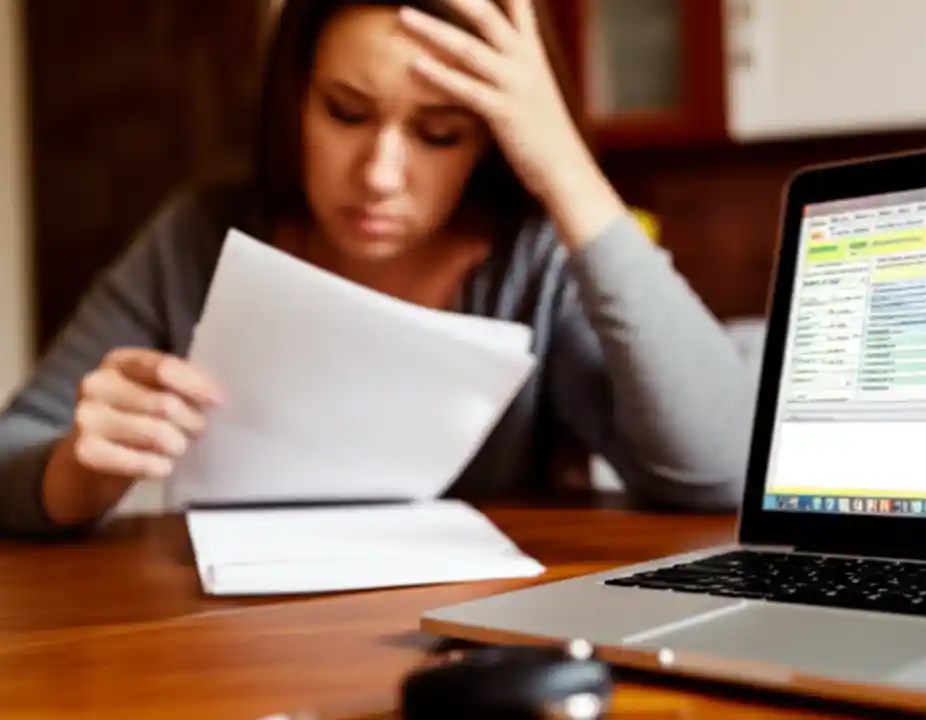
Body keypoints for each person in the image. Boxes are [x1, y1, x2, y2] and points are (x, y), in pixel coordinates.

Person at [0, 0, 752, 537]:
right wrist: (79, 473)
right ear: (294, 97)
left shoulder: (534, 261)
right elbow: (16, 450)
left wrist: (562, 165)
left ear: (493, 137)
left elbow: (719, 470)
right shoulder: (197, 237)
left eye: (439, 133)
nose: (381, 175)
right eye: (346, 112)